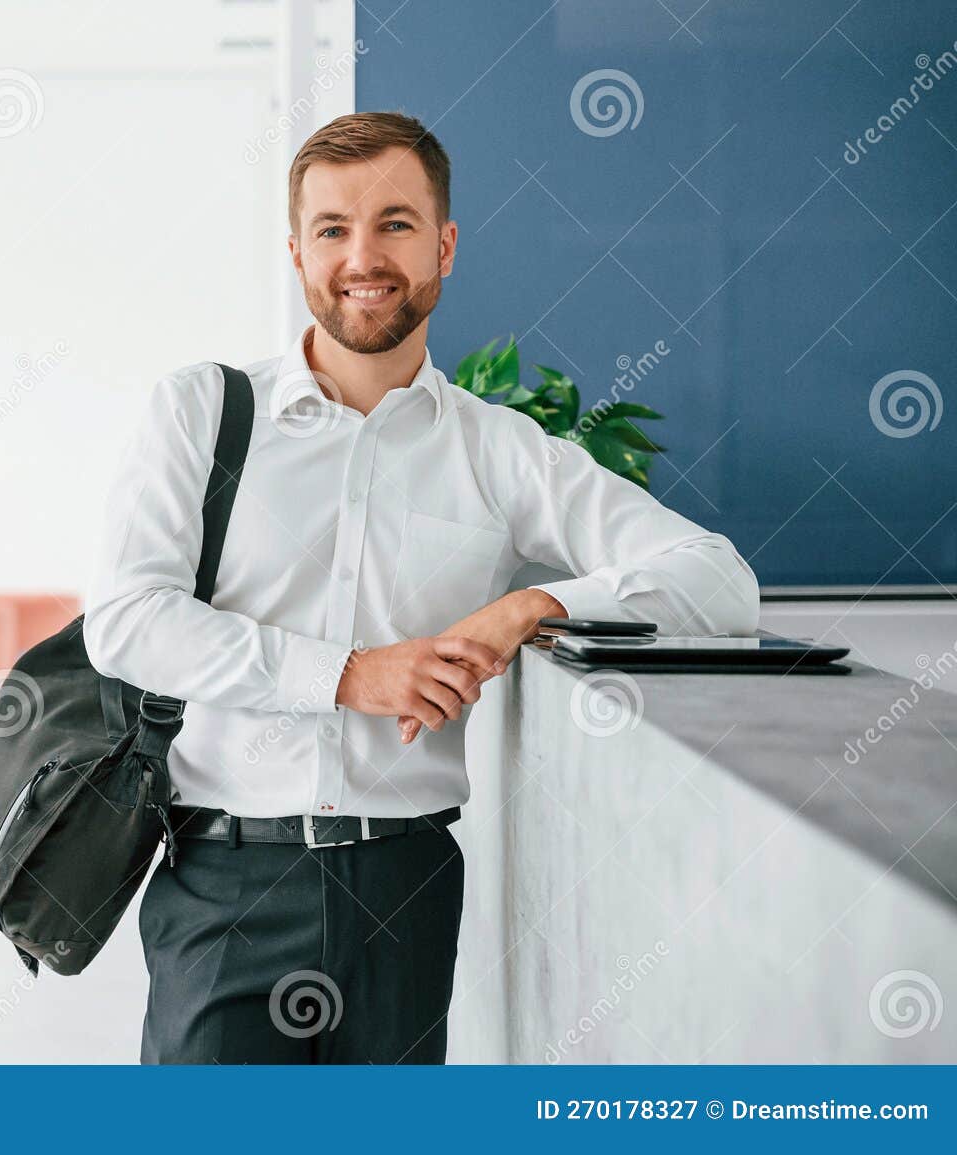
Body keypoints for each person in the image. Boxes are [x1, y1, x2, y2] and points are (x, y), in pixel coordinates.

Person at [83, 111, 759, 1064]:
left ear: (443, 245)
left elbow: (718, 578)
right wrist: (349, 674)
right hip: (223, 883)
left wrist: (536, 604)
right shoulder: (202, 410)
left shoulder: (501, 451)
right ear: (297, 252)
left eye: (395, 224)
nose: (364, 257)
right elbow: (127, 622)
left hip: (402, 892)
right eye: (333, 229)